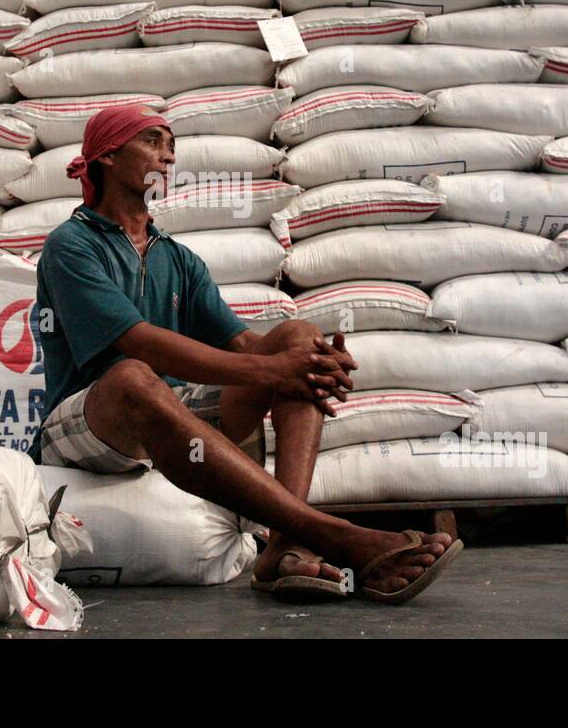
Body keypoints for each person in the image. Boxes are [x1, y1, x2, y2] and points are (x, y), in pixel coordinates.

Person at [31, 103, 463, 603]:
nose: (167, 156)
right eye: (152, 141)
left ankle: (283, 545)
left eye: (172, 145)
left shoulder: (177, 257)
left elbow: (243, 346)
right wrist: (272, 368)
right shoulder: (71, 245)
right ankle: (331, 533)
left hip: (170, 424)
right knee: (134, 374)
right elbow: (137, 340)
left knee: (298, 338)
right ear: (106, 156)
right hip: (92, 422)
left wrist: (309, 360)